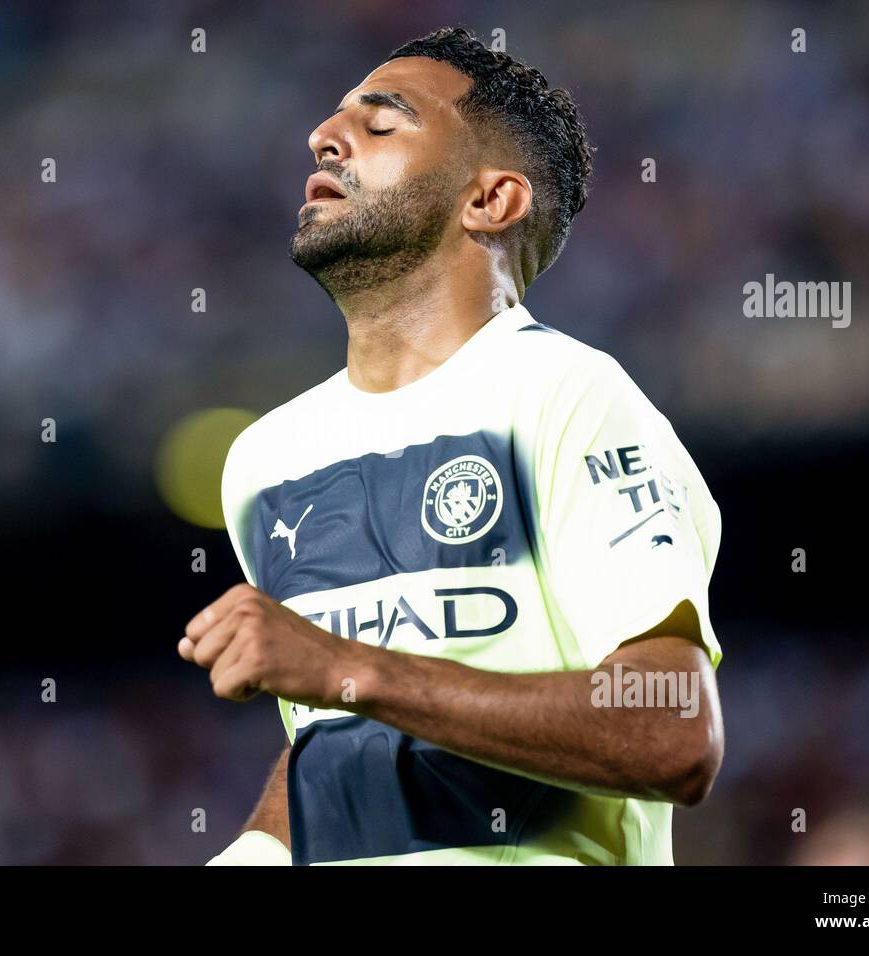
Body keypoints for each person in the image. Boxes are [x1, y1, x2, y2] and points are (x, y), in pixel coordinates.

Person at [181, 27, 724, 866]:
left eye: (383, 122)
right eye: (333, 120)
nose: (324, 137)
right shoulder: (267, 459)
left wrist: (347, 666)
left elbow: (670, 730)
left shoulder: (567, 394)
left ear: (490, 201)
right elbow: (341, 753)